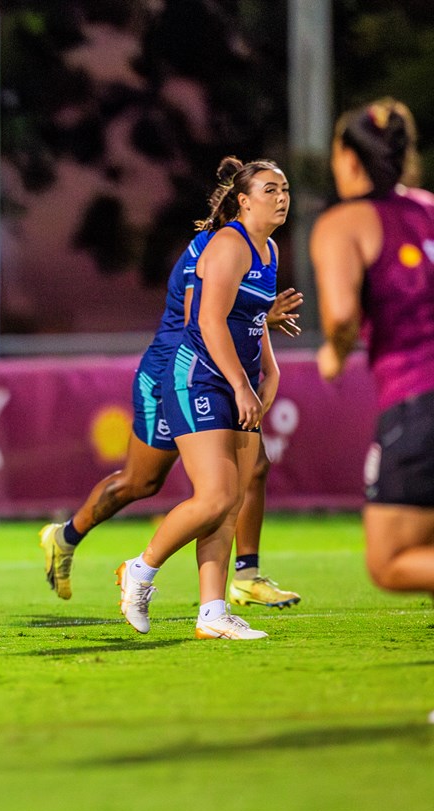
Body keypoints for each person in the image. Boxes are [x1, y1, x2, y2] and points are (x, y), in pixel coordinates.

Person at [38, 242, 304, 608]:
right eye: (266, 192)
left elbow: (239, 313)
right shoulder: (213, 248)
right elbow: (201, 320)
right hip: (173, 375)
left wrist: (260, 328)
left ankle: (244, 577)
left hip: (215, 376)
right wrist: (257, 317)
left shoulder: (257, 248)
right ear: (239, 201)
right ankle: (67, 536)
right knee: (142, 482)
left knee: (250, 470)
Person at [113, 157, 290, 640]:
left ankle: (212, 613)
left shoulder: (267, 250)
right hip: (198, 378)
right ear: (243, 200)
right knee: (216, 495)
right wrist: (240, 384)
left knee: (231, 500)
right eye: (270, 189)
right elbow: (209, 321)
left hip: (232, 378)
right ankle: (141, 569)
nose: (281, 197)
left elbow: (250, 319)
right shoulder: (230, 244)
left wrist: (267, 369)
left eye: (285, 189)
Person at [312, 98, 434, 603]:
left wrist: (335, 355)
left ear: (349, 158)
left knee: (390, 562)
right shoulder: (430, 207)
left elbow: (341, 316)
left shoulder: (344, 224)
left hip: (418, 398)